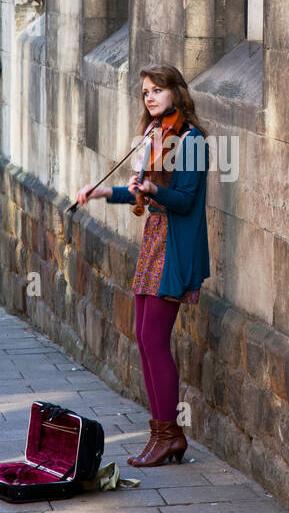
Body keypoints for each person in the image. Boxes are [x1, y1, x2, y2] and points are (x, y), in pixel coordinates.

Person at [75, 65, 211, 466]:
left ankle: (170, 435)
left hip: (175, 248)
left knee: (154, 341)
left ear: (176, 93)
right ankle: (160, 434)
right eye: (145, 92)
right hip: (155, 242)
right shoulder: (155, 136)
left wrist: (154, 188)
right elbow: (142, 191)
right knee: (143, 339)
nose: (149, 97)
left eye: (157, 90)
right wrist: (103, 192)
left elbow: (184, 200)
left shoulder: (192, 141)